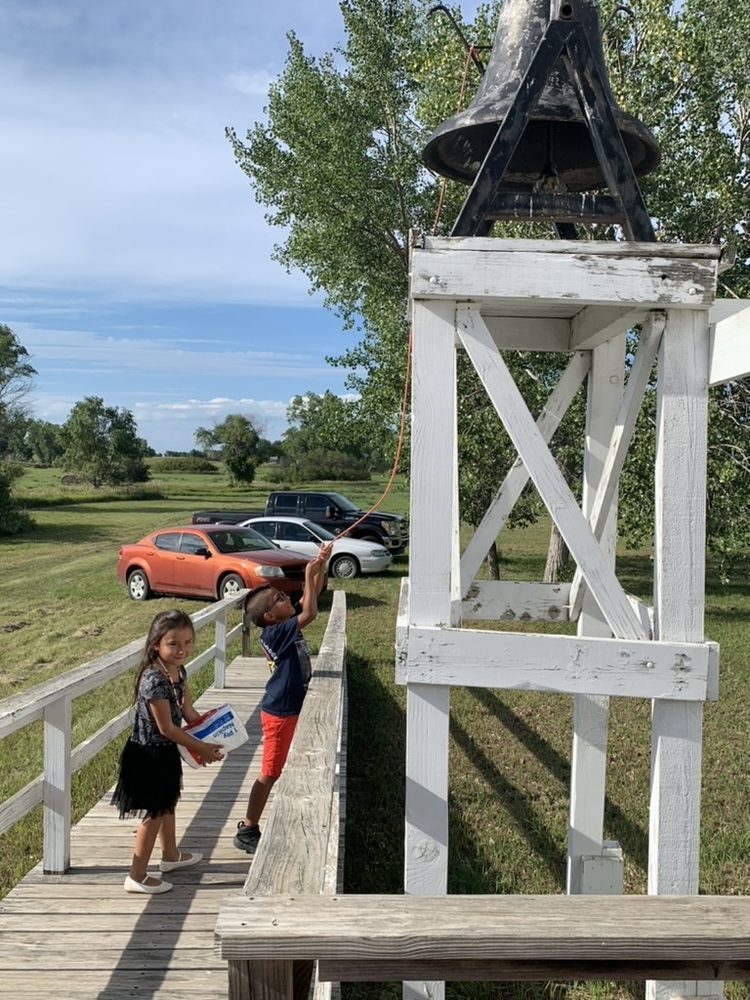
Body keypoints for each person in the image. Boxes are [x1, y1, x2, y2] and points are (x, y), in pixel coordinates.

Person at [111, 609, 224, 894]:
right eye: (173, 644)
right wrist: (201, 748)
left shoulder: (178, 671)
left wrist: (213, 732)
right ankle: (136, 875)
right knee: (155, 813)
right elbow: (166, 728)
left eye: (187, 642)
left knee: (168, 801)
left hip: (167, 750)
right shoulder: (153, 679)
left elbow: (186, 711)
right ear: (156, 645)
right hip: (148, 754)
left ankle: (170, 855)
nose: (182, 649)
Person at [233, 541, 333, 854]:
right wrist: (306, 571)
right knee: (269, 772)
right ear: (270, 616)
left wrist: (320, 565)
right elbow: (311, 612)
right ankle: (248, 828)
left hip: (290, 707)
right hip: (280, 713)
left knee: (281, 769)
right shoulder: (275, 633)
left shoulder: (282, 625)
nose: (286, 597)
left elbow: (308, 597)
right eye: (279, 598)